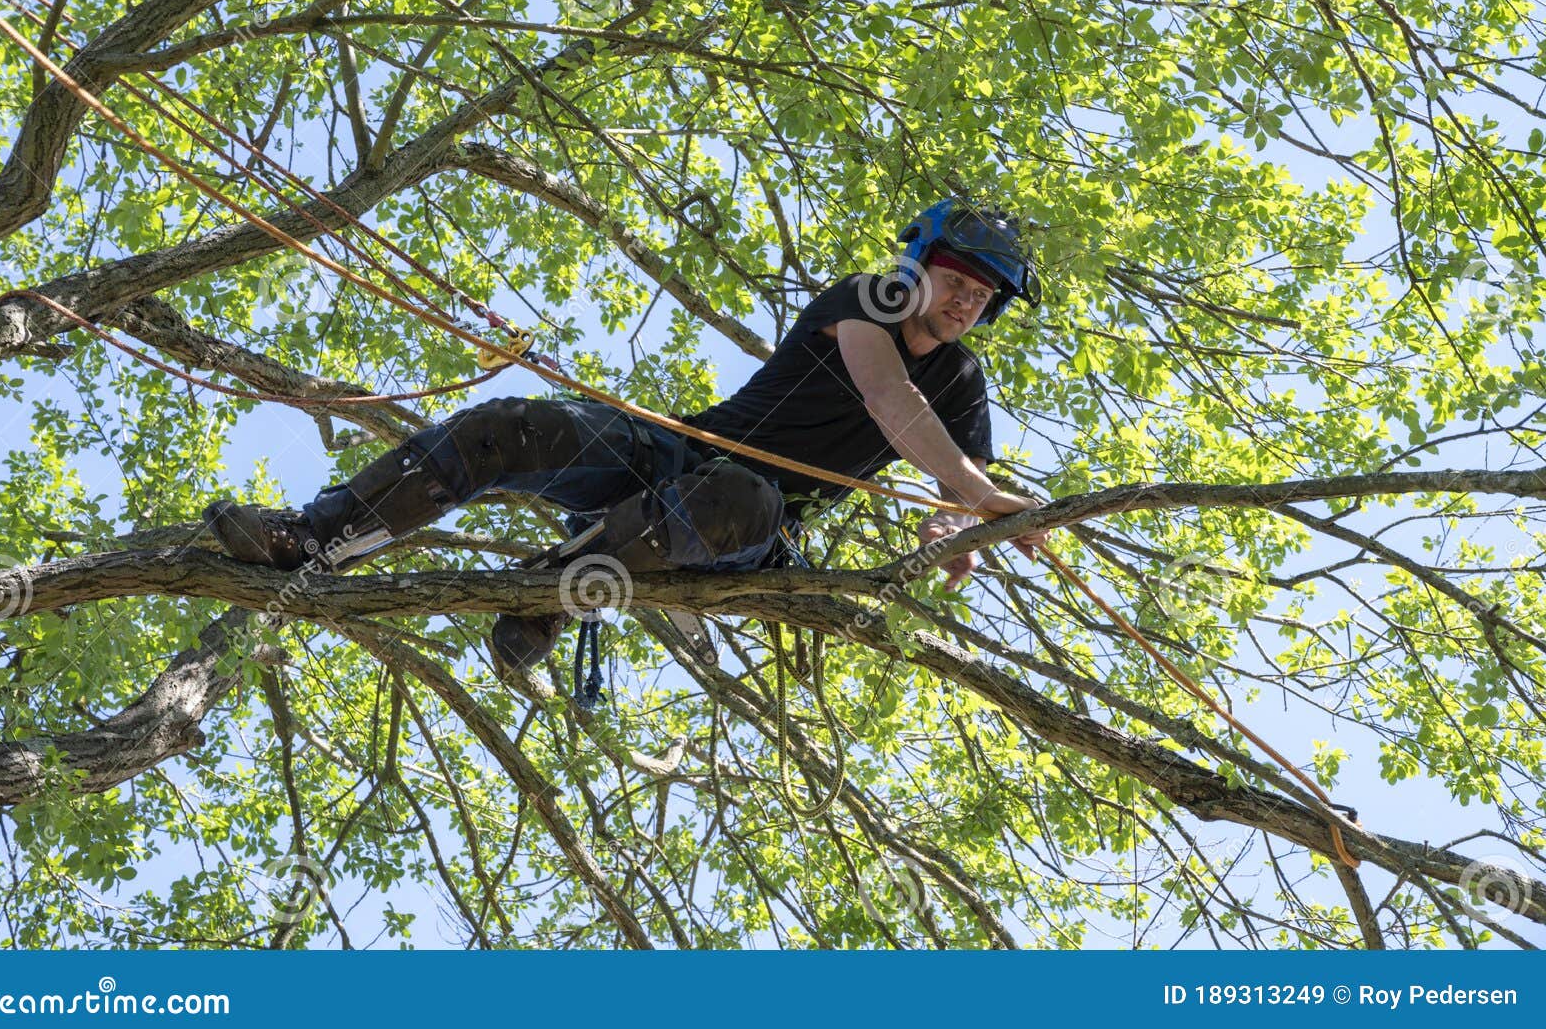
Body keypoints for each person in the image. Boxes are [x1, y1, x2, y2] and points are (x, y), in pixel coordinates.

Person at [202, 199, 1051, 675]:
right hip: (672, 451)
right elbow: (887, 397)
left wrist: (954, 521)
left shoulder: (963, 384)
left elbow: (956, 487)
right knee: (509, 427)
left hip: (751, 525)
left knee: (740, 497)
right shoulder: (866, 298)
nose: (965, 301)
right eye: (957, 278)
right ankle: (312, 538)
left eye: (983, 296)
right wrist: (978, 496)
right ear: (917, 266)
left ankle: (550, 588)